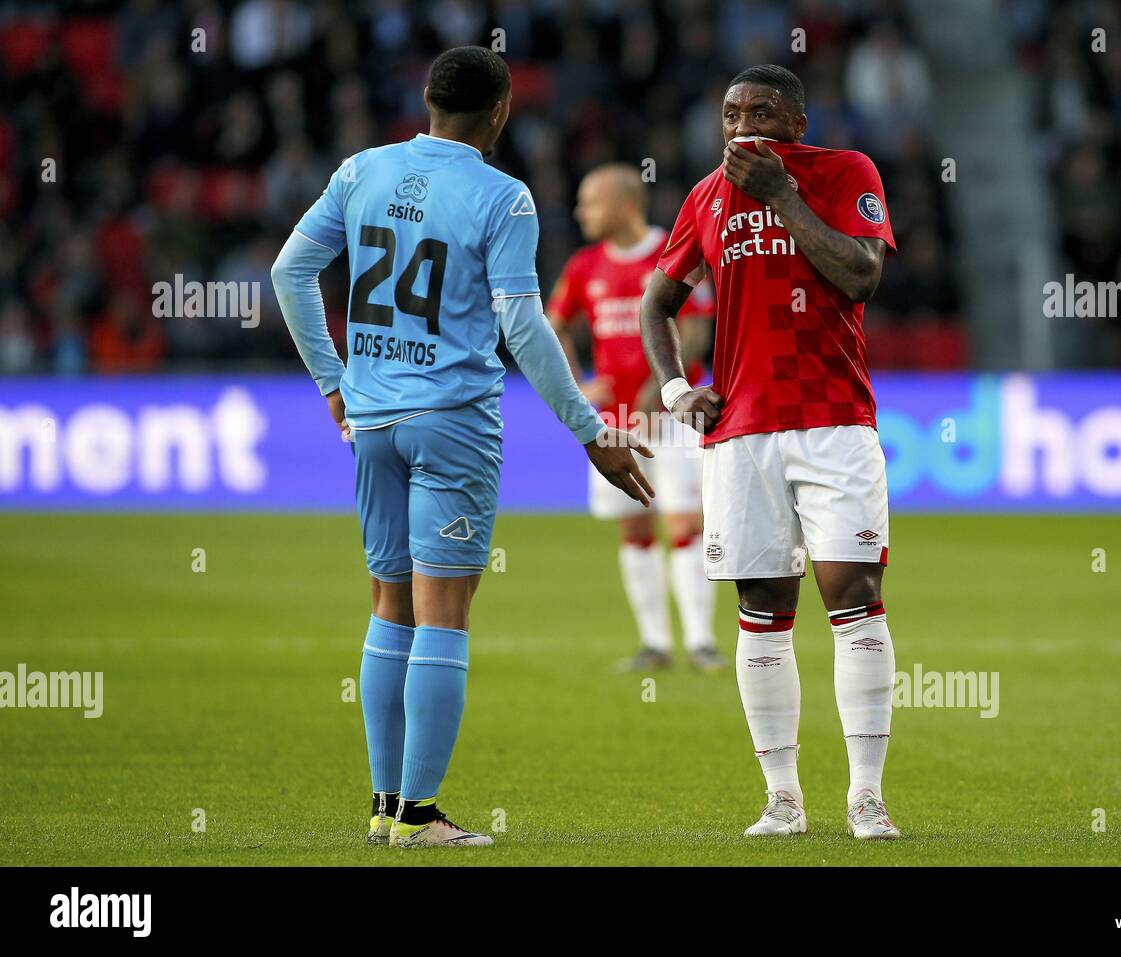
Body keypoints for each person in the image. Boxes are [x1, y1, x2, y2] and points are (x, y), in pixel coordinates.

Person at [271, 46, 653, 848]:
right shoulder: (504, 197)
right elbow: (521, 324)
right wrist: (591, 432)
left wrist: (332, 382)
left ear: (427, 100)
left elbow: (288, 270)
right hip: (452, 422)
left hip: (370, 422)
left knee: (388, 603)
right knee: (444, 611)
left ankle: (384, 805)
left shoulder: (360, 171)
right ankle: (419, 814)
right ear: (502, 111)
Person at [640, 64, 901, 840]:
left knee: (852, 595)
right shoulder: (703, 198)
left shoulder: (844, 172)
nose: (741, 124)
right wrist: (674, 387)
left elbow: (861, 275)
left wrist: (784, 195)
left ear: (797, 121)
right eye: (728, 113)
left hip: (833, 420)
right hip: (741, 432)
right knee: (762, 611)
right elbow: (659, 301)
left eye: (760, 110)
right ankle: (783, 798)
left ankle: (866, 796)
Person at [549, 163, 723, 672]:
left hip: (674, 418)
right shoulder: (584, 267)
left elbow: (693, 331)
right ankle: (654, 645)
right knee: (635, 528)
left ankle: (700, 642)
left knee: (685, 523)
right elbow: (553, 325)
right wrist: (577, 385)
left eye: (591, 201)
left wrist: (656, 395)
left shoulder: (673, 251)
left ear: (624, 205)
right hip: (613, 422)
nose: (582, 212)